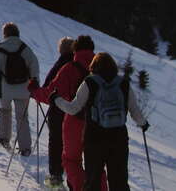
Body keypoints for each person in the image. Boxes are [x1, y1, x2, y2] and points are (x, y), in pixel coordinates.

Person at [50, 52, 148, 191]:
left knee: (92, 181)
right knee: (119, 182)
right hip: (119, 138)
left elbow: (73, 108)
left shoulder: (90, 82)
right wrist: (143, 124)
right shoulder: (123, 84)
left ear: (94, 66)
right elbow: (135, 111)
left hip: (94, 138)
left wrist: (56, 99)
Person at [30, 35, 101, 191]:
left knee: (72, 160)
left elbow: (50, 92)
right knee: (96, 162)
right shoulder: (101, 69)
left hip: (73, 120)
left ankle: (66, 183)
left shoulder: (69, 68)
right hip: (98, 123)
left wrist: (34, 92)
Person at [0, 22, 40, 156]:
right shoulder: (25, 48)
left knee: (5, 112)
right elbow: (34, 67)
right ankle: (25, 147)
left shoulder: (0, 48)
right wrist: (35, 84)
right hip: (23, 88)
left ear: (5, 34)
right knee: (22, 117)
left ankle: (4, 139)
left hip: (5, 88)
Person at [40, 37, 75, 188]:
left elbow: (48, 87)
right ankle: (73, 179)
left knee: (56, 142)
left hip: (58, 110)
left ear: (61, 49)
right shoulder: (80, 65)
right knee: (72, 145)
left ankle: (55, 176)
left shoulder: (61, 64)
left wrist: (35, 91)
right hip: (77, 112)